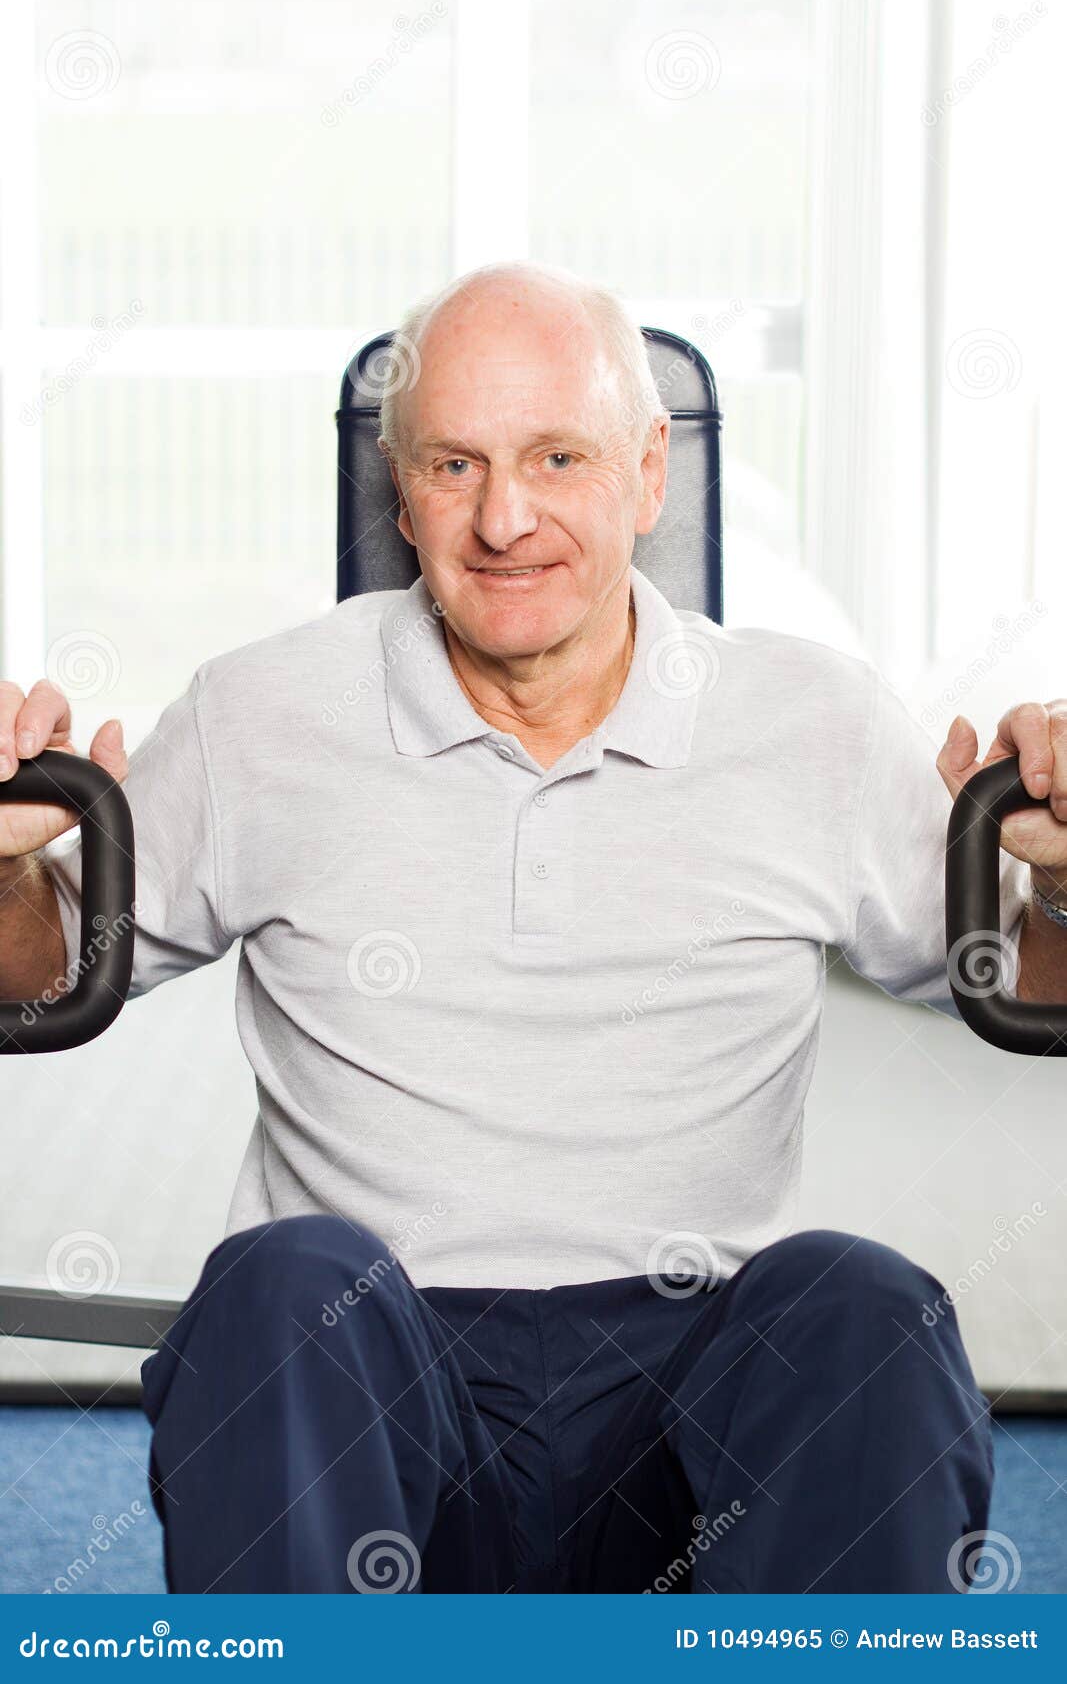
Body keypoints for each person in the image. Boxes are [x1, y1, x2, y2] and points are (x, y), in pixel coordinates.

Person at [2, 262, 1066, 1595]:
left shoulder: (817, 723)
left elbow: (1020, 978)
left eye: (557, 457)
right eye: (456, 463)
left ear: (649, 472)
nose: (505, 517)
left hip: (698, 1432)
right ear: (400, 487)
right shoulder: (258, 715)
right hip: (371, 1401)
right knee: (278, 1287)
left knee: (862, 1307)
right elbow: (52, 968)